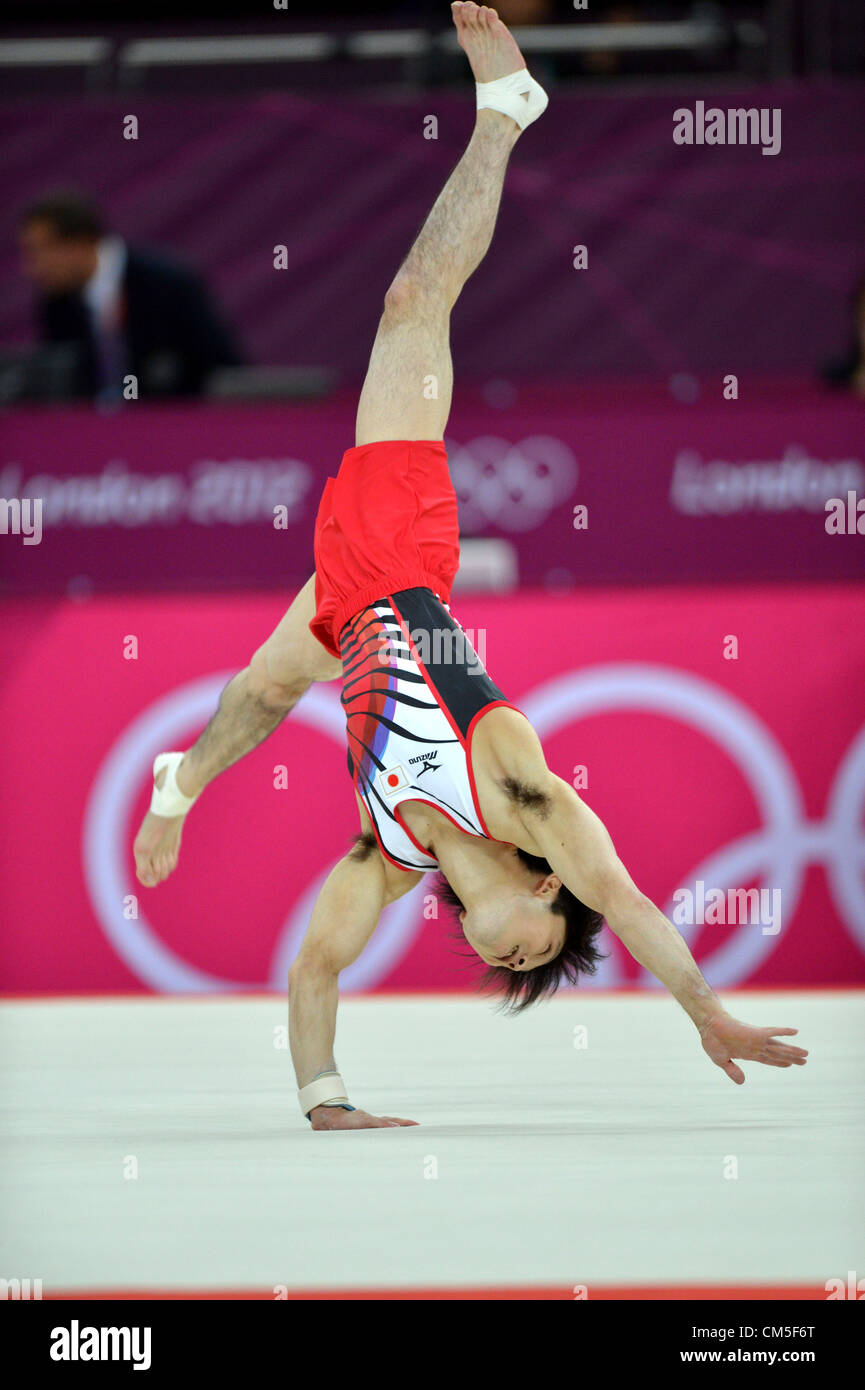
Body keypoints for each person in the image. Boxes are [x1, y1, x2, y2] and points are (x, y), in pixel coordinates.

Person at [133, 2, 808, 1130]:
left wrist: (328, 1102)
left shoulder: (385, 857)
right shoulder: (524, 795)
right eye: (530, 950)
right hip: (403, 565)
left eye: (502, 963)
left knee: (259, 689)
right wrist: (703, 1008)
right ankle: (504, 114)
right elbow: (628, 900)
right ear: (545, 885)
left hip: (345, 610)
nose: (496, 953)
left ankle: (177, 782)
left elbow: (312, 972)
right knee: (410, 305)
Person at [18, 191, 242, 401]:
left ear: (79, 244)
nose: (32, 268)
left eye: (39, 252)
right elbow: (61, 385)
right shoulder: (57, 303)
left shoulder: (169, 285)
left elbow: (225, 372)